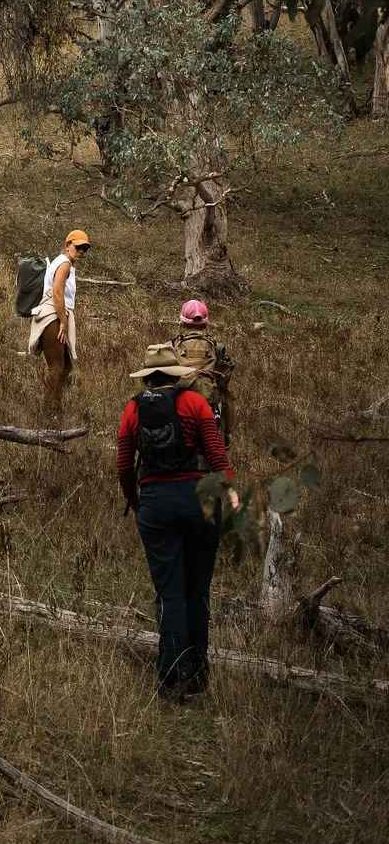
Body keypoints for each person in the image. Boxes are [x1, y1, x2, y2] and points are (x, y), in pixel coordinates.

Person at [117, 343, 238, 701]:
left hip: (155, 505)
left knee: (169, 592)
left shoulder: (133, 409)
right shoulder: (196, 403)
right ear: (178, 375)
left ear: (149, 378)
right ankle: (199, 674)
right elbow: (216, 451)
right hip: (200, 500)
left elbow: (125, 466)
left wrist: (137, 503)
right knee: (197, 591)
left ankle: (173, 675)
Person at [28, 230, 90, 410]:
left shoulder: (65, 263)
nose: (81, 251)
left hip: (56, 315)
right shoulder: (63, 264)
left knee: (65, 366)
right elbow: (57, 293)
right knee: (56, 368)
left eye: (85, 248)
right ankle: (48, 409)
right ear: (67, 244)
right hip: (53, 316)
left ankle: (54, 404)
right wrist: (63, 321)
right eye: (78, 247)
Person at [172, 299, 236, 443]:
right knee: (213, 458)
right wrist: (227, 432)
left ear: (182, 322)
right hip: (208, 413)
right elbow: (227, 395)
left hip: (177, 412)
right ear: (206, 323)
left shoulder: (170, 347)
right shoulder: (218, 350)